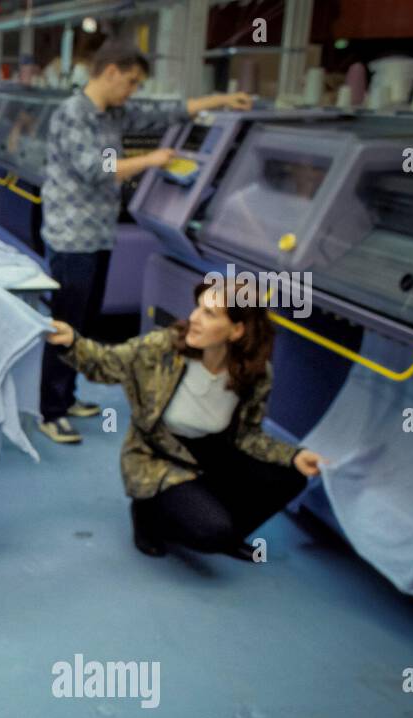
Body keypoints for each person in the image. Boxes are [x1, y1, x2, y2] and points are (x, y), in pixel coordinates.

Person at [37, 38, 254, 445]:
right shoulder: (73, 113)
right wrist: (152, 160)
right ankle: (51, 411)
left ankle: (67, 397)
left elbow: (165, 111)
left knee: (85, 322)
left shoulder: (113, 113)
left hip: (97, 234)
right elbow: (93, 168)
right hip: (72, 238)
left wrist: (223, 100)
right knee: (66, 322)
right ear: (111, 71)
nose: (132, 91)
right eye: (131, 82)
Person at [44, 279, 324, 559]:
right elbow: (105, 363)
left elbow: (247, 435)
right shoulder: (163, 348)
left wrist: (293, 455)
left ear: (237, 331)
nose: (194, 319)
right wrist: (72, 342)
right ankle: (148, 512)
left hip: (212, 451)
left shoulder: (255, 373)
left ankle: (225, 532)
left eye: (209, 314)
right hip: (158, 454)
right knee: (211, 531)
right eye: (198, 309)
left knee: (291, 475)